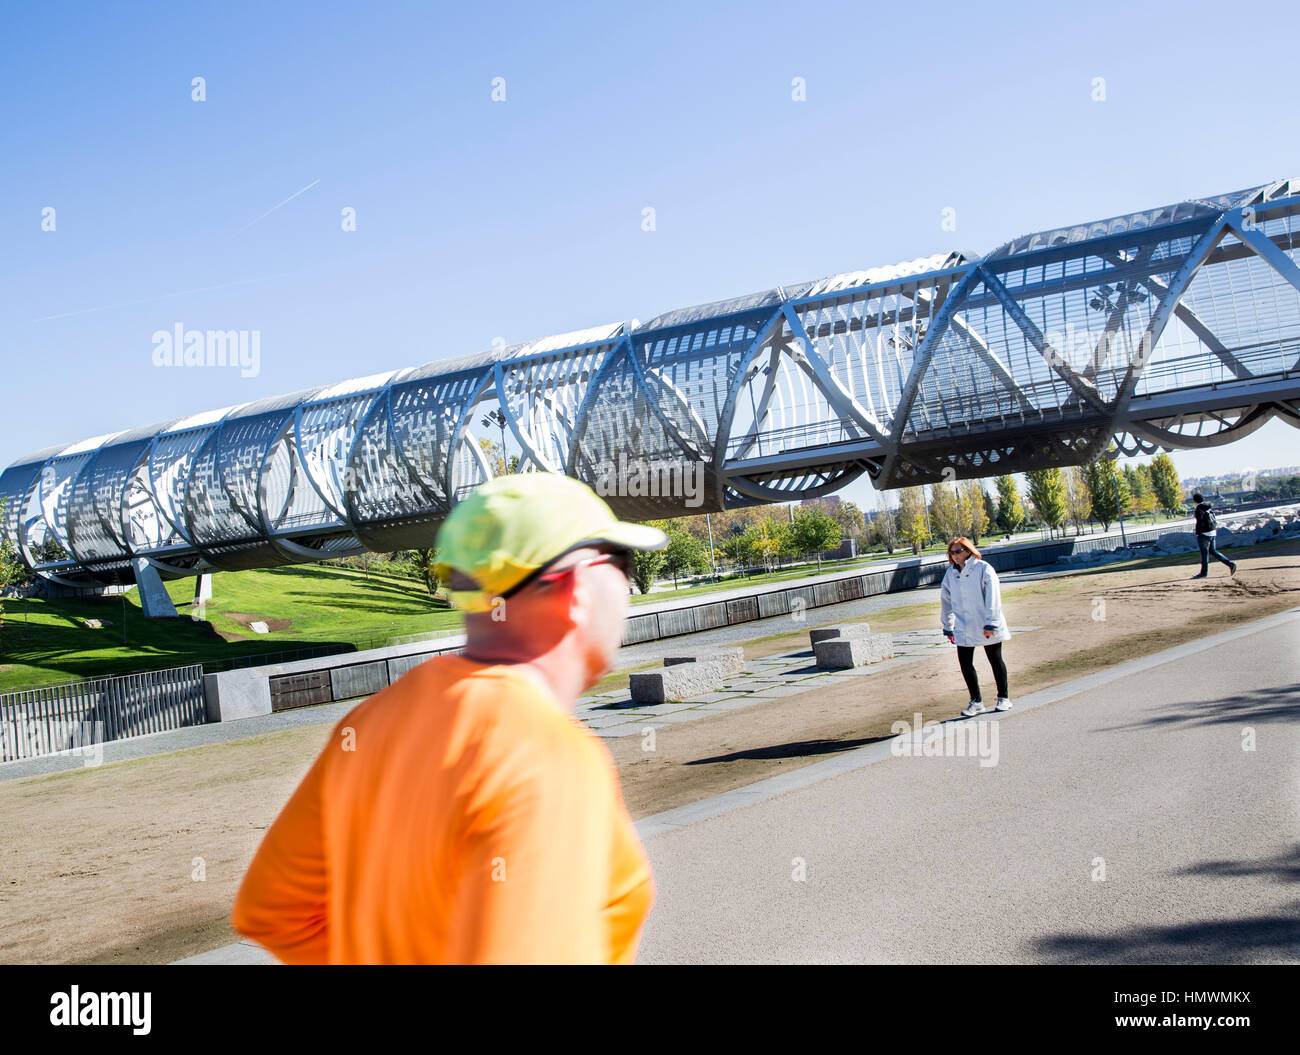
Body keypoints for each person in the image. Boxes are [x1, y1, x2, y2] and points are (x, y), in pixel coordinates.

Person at [230, 472, 668, 964]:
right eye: (622, 563)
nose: (630, 588)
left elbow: (273, 910)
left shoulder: (370, 725)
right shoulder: (544, 757)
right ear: (576, 588)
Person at [939, 537, 1011, 718]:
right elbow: (946, 601)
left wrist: (991, 623)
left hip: (986, 623)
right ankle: (976, 701)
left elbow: (993, 597)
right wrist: (948, 626)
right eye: (952, 553)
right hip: (963, 625)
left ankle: (1003, 698)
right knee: (965, 663)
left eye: (958, 551)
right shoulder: (950, 574)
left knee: (995, 660)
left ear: (968, 551)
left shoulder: (983, 568)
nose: (955, 556)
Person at [1191, 492, 1237, 578]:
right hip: (1212, 531)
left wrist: (1198, 532)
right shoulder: (1208, 507)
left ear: (1195, 500)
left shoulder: (1199, 509)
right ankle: (1230, 564)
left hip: (1204, 533)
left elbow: (1200, 521)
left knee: (1204, 553)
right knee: (1213, 551)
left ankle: (1204, 573)